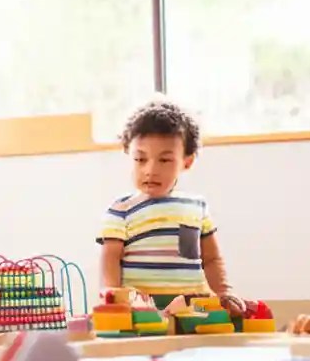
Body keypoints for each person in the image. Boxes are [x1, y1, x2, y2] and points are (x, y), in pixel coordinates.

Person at [98, 99, 247, 315]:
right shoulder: (120, 210)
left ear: (187, 162)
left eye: (165, 160)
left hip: (193, 308)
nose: (150, 170)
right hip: (142, 311)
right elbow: (111, 257)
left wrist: (223, 292)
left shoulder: (197, 208)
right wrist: (113, 297)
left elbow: (212, 258)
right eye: (140, 159)